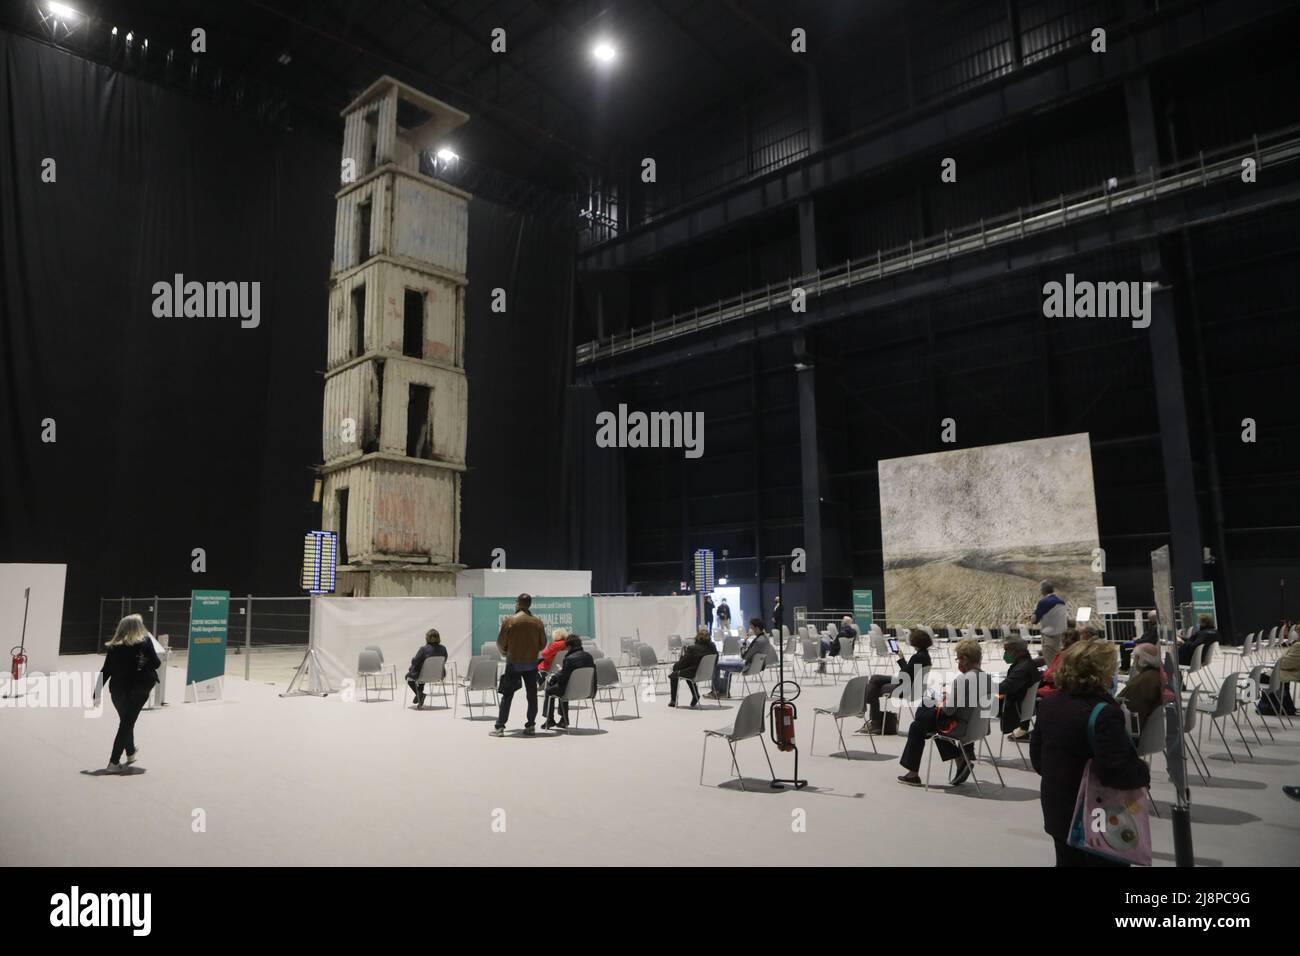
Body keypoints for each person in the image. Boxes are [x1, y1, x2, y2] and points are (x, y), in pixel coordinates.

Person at [1029, 640, 1151, 866]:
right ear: (1101, 672)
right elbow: (1115, 771)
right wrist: (1142, 772)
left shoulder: (1048, 704)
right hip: (1096, 815)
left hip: (1059, 809)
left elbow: (1038, 760)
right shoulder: (1104, 712)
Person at [897, 639, 994, 787]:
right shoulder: (987, 679)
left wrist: (941, 701)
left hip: (959, 726)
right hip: (976, 727)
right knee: (924, 720)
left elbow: (949, 710)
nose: (958, 663)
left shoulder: (963, 680)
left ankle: (913, 774)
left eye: (958, 659)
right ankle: (960, 760)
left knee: (918, 724)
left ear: (965, 659)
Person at [94, 614, 161, 773]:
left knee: (126, 721)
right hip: (138, 689)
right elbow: (157, 663)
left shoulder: (114, 646)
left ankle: (130, 752)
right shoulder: (144, 642)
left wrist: (96, 693)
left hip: (117, 690)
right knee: (126, 723)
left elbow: (105, 671)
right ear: (139, 626)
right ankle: (113, 763)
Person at [492, 593, 547, 737]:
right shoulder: (537, 622)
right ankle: (530, 726)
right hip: (531, 663)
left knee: (507, 695)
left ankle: (500, 727)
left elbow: (500, 643)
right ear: (530, 604)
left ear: (517, 603)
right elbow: (543, 644)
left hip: (513, 662)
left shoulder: (510, 621)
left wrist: (505, 652)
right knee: (532, 696)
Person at [859, 628, 931, 734]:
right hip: (912, 686)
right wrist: (901, 657)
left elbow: (904, 674)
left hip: (905, 688)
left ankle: (870, 717)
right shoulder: (925, 656)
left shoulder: (917, 657)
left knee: (875, 685)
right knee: (874, 682)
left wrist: (901, 657)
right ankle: (873, 719)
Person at [541, 634, 594, 730]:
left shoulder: (569, 659)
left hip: (571, 691)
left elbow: (563, 678)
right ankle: (564, 719)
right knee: (563, 686)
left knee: (550, 689)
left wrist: (555, 676)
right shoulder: (589, 657)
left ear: (569, 646)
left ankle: (550, 719)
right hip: (587, 691)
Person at [712, 618, 768, 698]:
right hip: (755, 666)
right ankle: (724, 691)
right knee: (727, 666)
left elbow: (744, 656)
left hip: (747, 666)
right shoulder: (764, 639)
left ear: (757, 628)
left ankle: (715, 691)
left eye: (751, 628)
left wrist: (742, 646)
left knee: (717, 664)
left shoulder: (758, 641)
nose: (750, 630)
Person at [999, 638, 1040, 739]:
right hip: (1023, 705)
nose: (1005, 654)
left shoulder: (1022, 669)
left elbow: (1004, 688)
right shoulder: (1028, 663)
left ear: (1016, 651)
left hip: (1012, 707)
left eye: (1006, 650)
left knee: (971, 701)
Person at [1118, 643, 1164, 729]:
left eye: (1134, 657)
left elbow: (1126, 708)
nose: (1134, 661)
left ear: (1140, 659)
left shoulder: (1142, 683)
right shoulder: (1157, 675)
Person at [669, 628, 719, 708]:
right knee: (686, 672)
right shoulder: (713, 647)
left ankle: (673, 700)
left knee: (674, 674)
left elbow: (679, 665)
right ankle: (695, 695)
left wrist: (682, 657)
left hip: (695, 673)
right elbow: (716, 660)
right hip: (708, 674)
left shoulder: (692, 649)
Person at [1025, 581, 1068, 662]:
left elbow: (1034, 620)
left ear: (1043, 591)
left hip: (1049, 637)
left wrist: (1031, 617)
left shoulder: (1044, 602)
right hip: (1060, 637)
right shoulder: (1062, 602)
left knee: (1050, 663)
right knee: (1058, 661)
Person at [406, 628, 448, 706]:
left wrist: (412, 664)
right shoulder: (443, 649)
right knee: (421, 676)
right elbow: (444, 660)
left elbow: (415, 661)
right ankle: (419, 695)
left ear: (427, 638)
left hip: (424, 675)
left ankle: (420, 695)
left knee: (408, 677)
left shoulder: (424, 649)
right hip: (438, 675)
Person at [1037, 628, 1081, 698]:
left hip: (1058, 689)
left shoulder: (1064, 655)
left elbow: (1049, 676)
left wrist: (1045, 675)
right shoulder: (1082, 653)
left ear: (1063, 640)